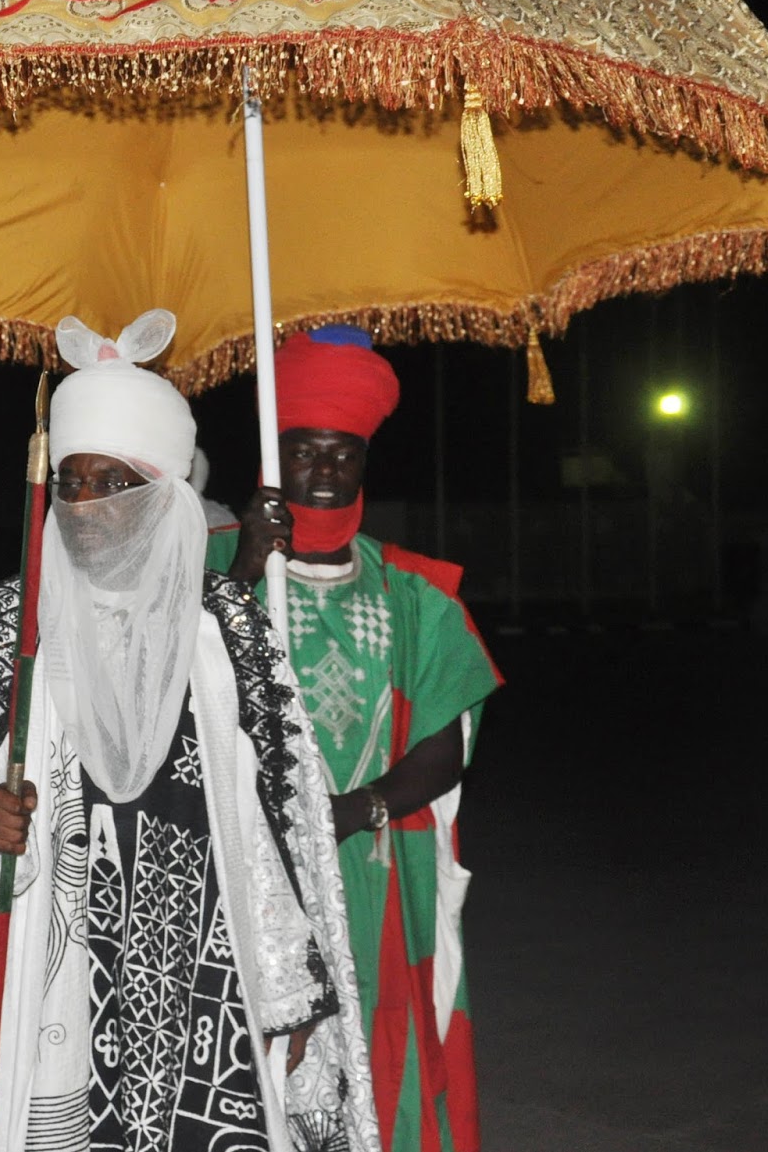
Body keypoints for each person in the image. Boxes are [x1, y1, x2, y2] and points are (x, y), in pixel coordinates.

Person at [0, 310, 381, 1152]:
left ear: (164, 488)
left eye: (113, 482)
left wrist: (285, 989)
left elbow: (276, 820)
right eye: (72, 482)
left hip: (210, 976)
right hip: (55, 979)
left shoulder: (226, 625)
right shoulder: (7, 626)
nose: (86, 503)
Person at [207, 326, 503, 1152]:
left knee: (380, 1058)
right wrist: (237, 581)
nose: (326, 472)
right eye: (306, 452)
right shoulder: (207, 564)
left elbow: (445, 746)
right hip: (241, 863)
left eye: (344, 453)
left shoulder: (417, 590)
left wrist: (357, 807)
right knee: (252, 1066)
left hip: (372, 863)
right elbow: (170, 692)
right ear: (275, 459)